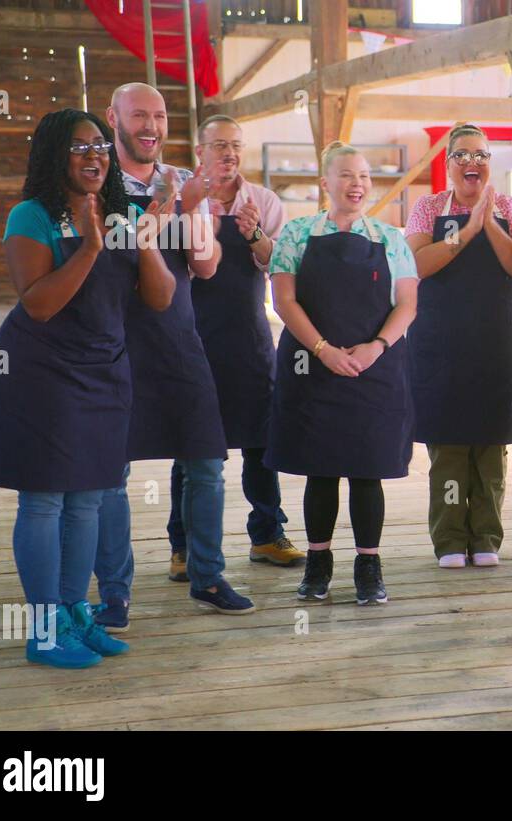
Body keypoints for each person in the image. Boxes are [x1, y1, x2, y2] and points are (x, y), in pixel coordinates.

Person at [0, 108, 176, 668]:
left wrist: (147, 241)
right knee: (45, 500)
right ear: (56, 155)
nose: (94, 157)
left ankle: (74, 614)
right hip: (42, 374)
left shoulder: (119, 214)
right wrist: (88, 246)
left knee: (87, 500)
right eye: (81, 147)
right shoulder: (30, 216)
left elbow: (159, 299)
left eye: (102, 147)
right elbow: (38, 303)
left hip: (104, 372)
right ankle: (44, 630)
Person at [94, 82, 253, 631]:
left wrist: (198, 220)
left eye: (159, 116)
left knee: (207, 462)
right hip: (111, 341)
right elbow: (122, 246)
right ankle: (115, 593)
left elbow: (205, 266)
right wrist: (175, 208)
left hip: (179, 338)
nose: (151, 126)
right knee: (109, 475)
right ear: (113, 117)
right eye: (140, 115)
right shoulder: (96, 180)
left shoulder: (183, 180)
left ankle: (206, 576)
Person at [268, 141, 419, 605]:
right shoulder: (295, 234)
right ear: (325, 183)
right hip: (312, 369)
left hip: (374, 369)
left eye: (364, 176)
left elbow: (408, 304)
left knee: (367, 471)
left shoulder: (391, 240)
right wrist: (322, 349)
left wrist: (376, 347)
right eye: (347, 175)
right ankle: (317, 565)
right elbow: (284, 300)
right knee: (321, 470)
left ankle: (368, 567)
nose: (357, 184)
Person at [166, 114, 301, 574]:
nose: (229, 153)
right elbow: (165, 265)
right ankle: (182, 546)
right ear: (199, 152)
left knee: (261, 441)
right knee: (192, 445)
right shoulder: (182, 200)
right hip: (192, 337)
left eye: (236, 145)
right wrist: (189, 213)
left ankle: (266, 534)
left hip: (248, 337)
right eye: (219, 144)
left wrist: (255, 236)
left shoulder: (262, 200)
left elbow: (283, 266)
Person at [405, 123, 512, 569]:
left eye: (480, 155)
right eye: (462, 155)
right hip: (441, 341)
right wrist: (464, 232)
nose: (472, 162)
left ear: (489, 163)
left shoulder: (511, 208)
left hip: (495, 340)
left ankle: (486, 536)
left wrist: (487, 225)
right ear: (449, 163)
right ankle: (450, 538)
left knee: (491, 447)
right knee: (449, 445)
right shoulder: (427, 207)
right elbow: (419, 263)